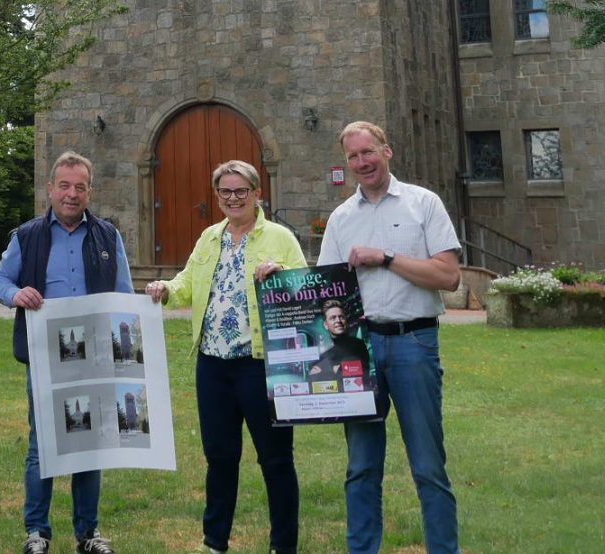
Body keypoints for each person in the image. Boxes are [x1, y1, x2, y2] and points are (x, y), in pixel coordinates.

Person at [143, 159, 306, 554]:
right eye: (225, 192)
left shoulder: (280, 236)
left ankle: (283, 546)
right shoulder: (209, 238)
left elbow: (305, 287)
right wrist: (165, 288)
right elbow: (188, 282)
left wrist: (281, 272)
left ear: (257, 194)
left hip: (260, 364)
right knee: (219, 458)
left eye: (241, 191)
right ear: (217, 197)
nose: (233, 198)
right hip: (212, 364)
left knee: (276, 460)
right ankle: (214, 542)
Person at [317, 121, 463, 554]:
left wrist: (386, 258)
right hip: (361, 351)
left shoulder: (423, 204)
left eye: (369, 152)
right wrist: (328, 311)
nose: (362, 162)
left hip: (413, 344)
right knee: (361, 467)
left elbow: (449, 276)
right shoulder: (342, 218)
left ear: (387, 151)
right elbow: (329, 292)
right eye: (354, 157)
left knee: (427, 465)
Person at [0, 151, 131, 554]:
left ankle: (89, 535)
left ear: (90, 191)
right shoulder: (28, 236)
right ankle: (37, 533)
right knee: (44, 445)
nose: (72, 194)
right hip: (45, 355)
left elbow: (123, 294)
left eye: (80, 187)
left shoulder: (108, 236)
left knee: (89, 443)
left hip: (96, 356)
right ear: (50, 188)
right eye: (64, 186)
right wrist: (15, 294)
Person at [306, 301, 370, 381]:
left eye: (341, 317)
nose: (338, 321)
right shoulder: (322, 351)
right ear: (326, 325)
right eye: (333, 318)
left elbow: (360, 373)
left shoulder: (358, 345)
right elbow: (313, 378)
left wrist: (325, 369)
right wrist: (338, 368)